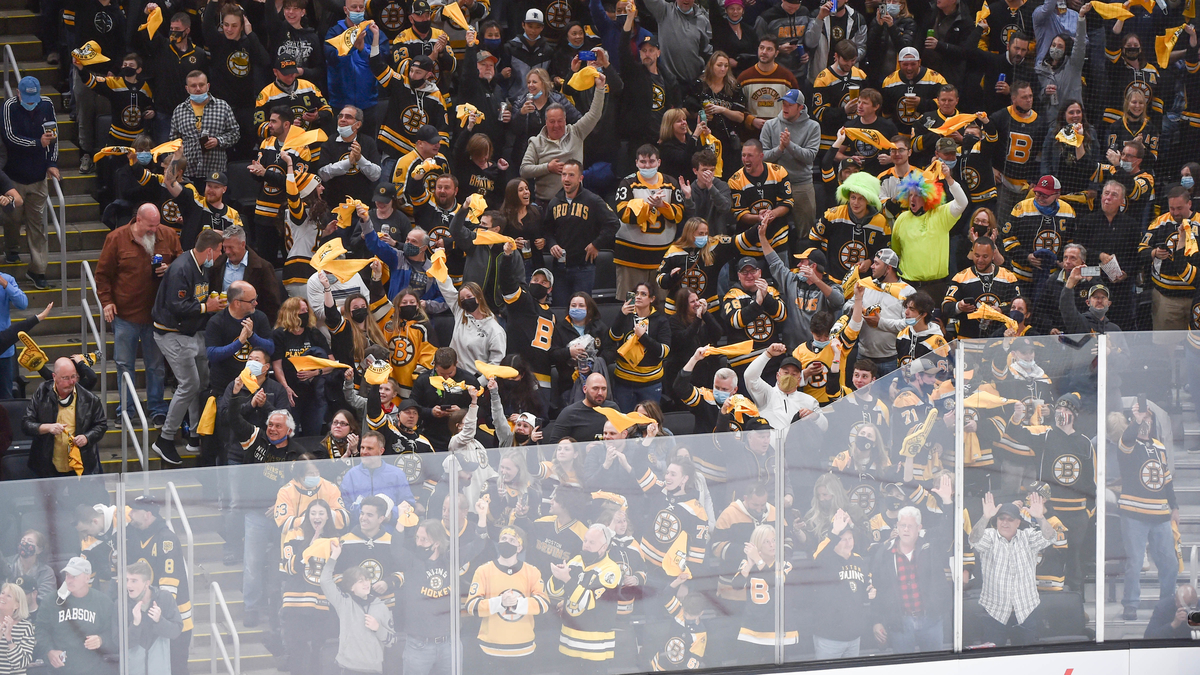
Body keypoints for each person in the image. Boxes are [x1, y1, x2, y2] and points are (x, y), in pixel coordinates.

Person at [151, 229, 226, 464]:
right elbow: (177, 305)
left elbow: (196, 297)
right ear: (211, 250)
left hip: (190, 331)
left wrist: (211, 301)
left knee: (202, 381)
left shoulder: (201, 265)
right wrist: (207, 307)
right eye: (221, 250)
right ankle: (164, 439)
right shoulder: (181, 268)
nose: (221, 254)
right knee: (190, 384)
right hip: (171, 333)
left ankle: (195, 436)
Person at [1117, 400, 1180, 621]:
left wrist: (1175, 506)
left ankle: (1167, 603)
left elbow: (1167, 480)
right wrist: (1137, 419)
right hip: (1134, 513)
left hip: (1160, 514)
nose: (1146, 422)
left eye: (1149, 419)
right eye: (1143, 419)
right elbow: (1126, 439)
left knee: (1169, 562)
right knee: (1134, 561)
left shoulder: (1159, 447)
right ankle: (1131, 604)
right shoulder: (1128, 443)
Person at [969, 492, 1056, 646]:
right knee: (992, 664)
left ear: (1018, 522)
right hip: (993, 613)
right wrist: (986, 517)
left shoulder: (1027, 537)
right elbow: (974, 539)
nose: (1005, 523)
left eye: (1010, 519)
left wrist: (1040, 517)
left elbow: (1050, 537)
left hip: (1026, 611)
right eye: (1001, 518)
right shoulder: (989, 536)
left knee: (1027, 663)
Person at [868, 500, 951, 653]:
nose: (905, 529)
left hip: (931, 620)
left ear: (919, 528)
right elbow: (877, 589)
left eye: (910, 526)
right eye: (902, 525)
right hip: (900, 624)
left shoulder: (930, 545)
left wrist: (947, 502)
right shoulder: (884, 552)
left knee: (934, 667)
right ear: (897, 527)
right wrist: (877, 621)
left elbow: (949, 530)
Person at [126, 496, 192, 675]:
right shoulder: (133, 535)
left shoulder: (166, 539)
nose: (130, 513)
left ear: (147, 514)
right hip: (151, 617)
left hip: (173, 619)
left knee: (175, 668)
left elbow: (168, 587)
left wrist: (155, 615)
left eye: (134, 510)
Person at [465, 526, 549, 665]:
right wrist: (500, 602)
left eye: (512, 540)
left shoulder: (532, 572)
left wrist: (517, 603)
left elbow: (543, 603)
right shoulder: (483, 571)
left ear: (519, 547)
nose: (506, 542)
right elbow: (472, 606)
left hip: (524, 649)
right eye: (503, 538)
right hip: (490, 649)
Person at [2, 77, 57, 288]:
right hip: (12, 178)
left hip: (38, 176)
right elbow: (9, 137)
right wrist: (37, 143)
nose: (31, 102)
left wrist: (52, 162)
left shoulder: (47, 104)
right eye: (26, 98)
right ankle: (12, 248)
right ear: (18, 93)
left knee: (37, 225)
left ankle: (38, 270)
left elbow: (54, 136)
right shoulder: (9, 107)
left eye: (34, 98)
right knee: (12, 219)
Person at [890, 161, 969, 302]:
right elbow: (896, 250)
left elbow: (962, 203)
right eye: (910, 195)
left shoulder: (940, 215)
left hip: (936, 287)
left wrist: (949, 179)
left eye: (917, 195)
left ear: (927, 196)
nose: (912, 199)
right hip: (908, 286)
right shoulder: (901, 219)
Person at [544, 160, 619, 303]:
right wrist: (552, 244)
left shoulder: (593, 200)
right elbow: (547, 231)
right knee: (561, 310)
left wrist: (597, 244)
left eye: (571, 175)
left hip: (583, 267)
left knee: (582, 309)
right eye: (564, 174)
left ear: (580, 178)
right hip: (560, 268)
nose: (566, 179)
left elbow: (613, 223)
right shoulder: (554, 202)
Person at [279, 499, 339, 675]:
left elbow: (336, 574)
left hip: (321, 606)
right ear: (307, 516)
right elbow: (288, 568)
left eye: (321, 513)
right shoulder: (294, 535)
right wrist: (310, 547)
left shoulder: (334, 540)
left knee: (317, 653)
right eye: (313, 513)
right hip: (295, 604)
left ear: (328, 516)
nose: (317, 517)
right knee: (296, 651)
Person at [23, 358, 108, 477]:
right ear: (54, 377)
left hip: (80, 467)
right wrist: (47, 428)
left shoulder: (90, 399)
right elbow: (26, 424)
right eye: (66, 378)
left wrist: (87, 437)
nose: (72, 382)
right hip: (47, 466)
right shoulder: (42, 393)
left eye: (74, 376)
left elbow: (101, 425)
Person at [322, 539, 396, 675]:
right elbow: (325, 581)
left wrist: (378, 628)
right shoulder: (344, 603)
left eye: (367, 579)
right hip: (347, 668)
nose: (365, 583)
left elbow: (392, 641)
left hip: (374, 670)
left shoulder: (381, 607)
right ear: (351, 587)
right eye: (360, 581)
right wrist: (334, 556)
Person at [761, 89, 821, 238]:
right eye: (784, 104)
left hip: (801, 184)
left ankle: (804, 260)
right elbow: (763, 157)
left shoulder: (813, 127)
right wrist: (780, 148)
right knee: (772, 230)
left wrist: (789, 145)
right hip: (775, 185)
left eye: (790, 105)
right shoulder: (770, 125)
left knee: (806, 231)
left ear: (800, 107)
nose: (785, 108)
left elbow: (809, 157)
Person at [1140, 186, 1199, 332]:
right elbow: (1141, 250)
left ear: (1189, 204)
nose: (1175, 213)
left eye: (1179, 208)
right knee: (1166, 344)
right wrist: (1154, 252)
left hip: (1196, 295)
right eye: (1172, 208)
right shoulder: (1159, 222)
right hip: (1166, 297)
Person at [605, 282, 671, 411]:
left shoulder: (661, 321)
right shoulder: (625, 316)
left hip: (650, 383)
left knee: (648, 422)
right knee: (625, 423)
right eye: (636, 294)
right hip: (624, 382)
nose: (639, 297)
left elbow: (664, 352)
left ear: (652, 299)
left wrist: (643, 337)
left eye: (643, 294)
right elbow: (613, 338)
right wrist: (621, 315)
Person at [45, 558, 115, 675]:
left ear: (87, 578)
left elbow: (115, 634)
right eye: (67, 575)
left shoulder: (103, 602)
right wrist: (48, 651)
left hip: (93, 669)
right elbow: (41, 630)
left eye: (74, 576)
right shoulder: (52, 601)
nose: (69, 580)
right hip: (60, 670)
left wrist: (102, 640)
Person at [943, 236, 1022, 339]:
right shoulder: (960, 278)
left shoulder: (1008, 277)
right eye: (977, 255)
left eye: (985, 256)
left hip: (999, 341)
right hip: (968, 340)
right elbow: (945, 307)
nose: (980, 260)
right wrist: (959, 306)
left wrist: (1001, 310)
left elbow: (1019, 308)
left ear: (993, 255)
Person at [171, 71, 239, 184]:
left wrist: (218, 140)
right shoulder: (179, 110)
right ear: (187, 88)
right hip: (188, 172)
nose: (198, 88)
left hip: (215, 171)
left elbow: (235, 133)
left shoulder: (223, 107)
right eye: (193, 86)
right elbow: (173, 140)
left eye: (201, 85)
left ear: (208, 86)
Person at [124, 561, 184, 675]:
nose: (128, 585)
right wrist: (135, 624)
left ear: (146, 583)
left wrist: (159, 621)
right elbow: (119, 644)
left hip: (160, 669)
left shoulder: (164, 598)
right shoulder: (122, 604)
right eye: (127, 580)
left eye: (134, 581)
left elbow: (176, 631)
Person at [318, 106, 383, 206]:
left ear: (358, 124)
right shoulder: (329, 142)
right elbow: (323, 174)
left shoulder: (368, 142)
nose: (343, 119)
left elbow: (376, 175)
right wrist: (348, 162)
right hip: (335, 204)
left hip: (363, 204)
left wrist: (360, 159)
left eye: (348, 117)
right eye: (341, 116)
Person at [545, 373, 619, 443]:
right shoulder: (569, 414)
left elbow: (623, 438)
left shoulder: (613, 409)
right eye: (595, 388)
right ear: (584, 389)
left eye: (603, 389)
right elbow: (554, 445)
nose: (600, 393)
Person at [0, 255, 28, 399]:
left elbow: (23, 303)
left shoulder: (7, 279)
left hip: (3, 351)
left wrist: (5, 284)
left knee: (5, 396)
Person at [0, 582, 34, 675]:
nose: (2, 597)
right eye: (2, 593)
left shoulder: (25, 627)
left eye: (9, 596)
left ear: (17, 605)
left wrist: (9, 638)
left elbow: (22, 663)